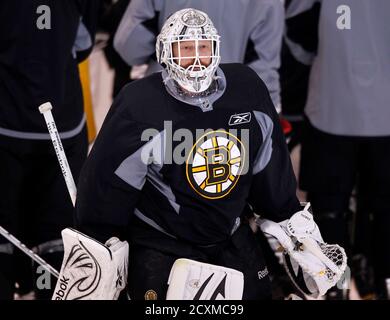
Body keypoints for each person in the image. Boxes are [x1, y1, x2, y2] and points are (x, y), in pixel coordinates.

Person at [74, 8, 304, 300]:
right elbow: (108, 186)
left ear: (216, 50)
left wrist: (291, 220)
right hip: (163, 241)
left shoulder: (246, 89)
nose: (196, 60)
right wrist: (97, 240)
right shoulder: (140, 105)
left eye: (203, 48)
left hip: (228, 235)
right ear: (165, 52)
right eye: (185, 49)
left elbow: (269, 170)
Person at [287, 0, 390, 299]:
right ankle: (383, 283)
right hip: (382, 115)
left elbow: (297, 34)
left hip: (332, 109)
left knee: (330, 210)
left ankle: (339, 286)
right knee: (385, 209)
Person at [0, 0, 99, 299]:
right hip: (60, 119)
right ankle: (43, 288)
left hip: (7, 121)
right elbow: (83, 43)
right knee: (55, 233)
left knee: (5, 230)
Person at [113, 0, 284, 112]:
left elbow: (129, 44)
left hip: (163, 98)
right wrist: (271, 110)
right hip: (226, 107)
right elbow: (264, 63)